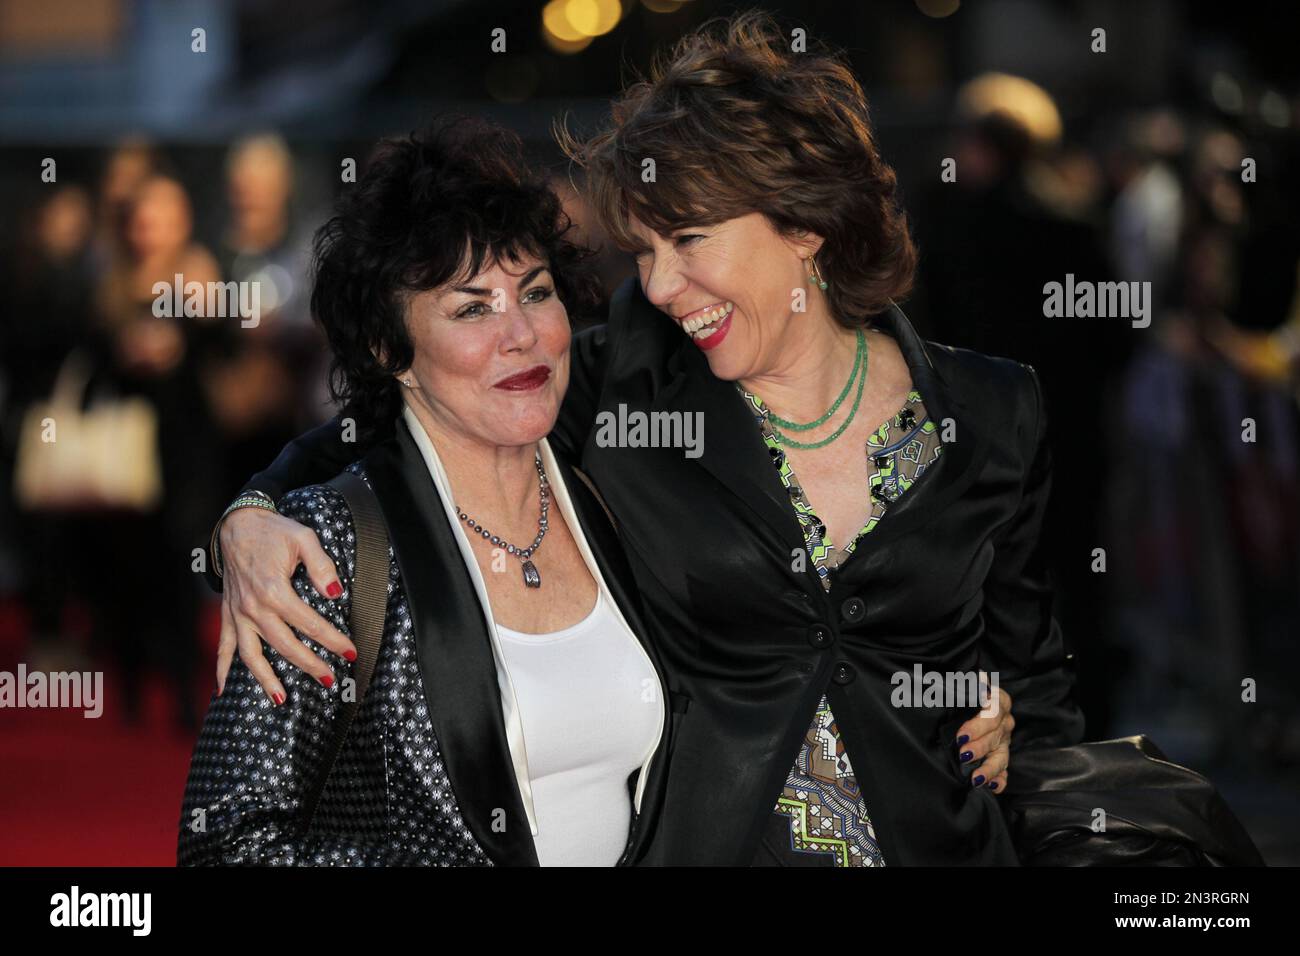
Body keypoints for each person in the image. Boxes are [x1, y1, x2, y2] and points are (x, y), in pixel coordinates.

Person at [206, 13, 1043, 866]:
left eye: (687, 240)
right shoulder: (627, 386)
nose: (660, 286)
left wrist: (991, 707)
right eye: (641, 250)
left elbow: (1038, 687)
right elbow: (392, 424)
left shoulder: (990, 411)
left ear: (804, 222)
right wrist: (249, 514)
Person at [179, 118, 675, 866]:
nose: (521, 334)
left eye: (535, 293)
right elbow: (226, 843)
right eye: (471, 307)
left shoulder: (606, 491)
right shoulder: (326, 552)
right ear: (391, 351)